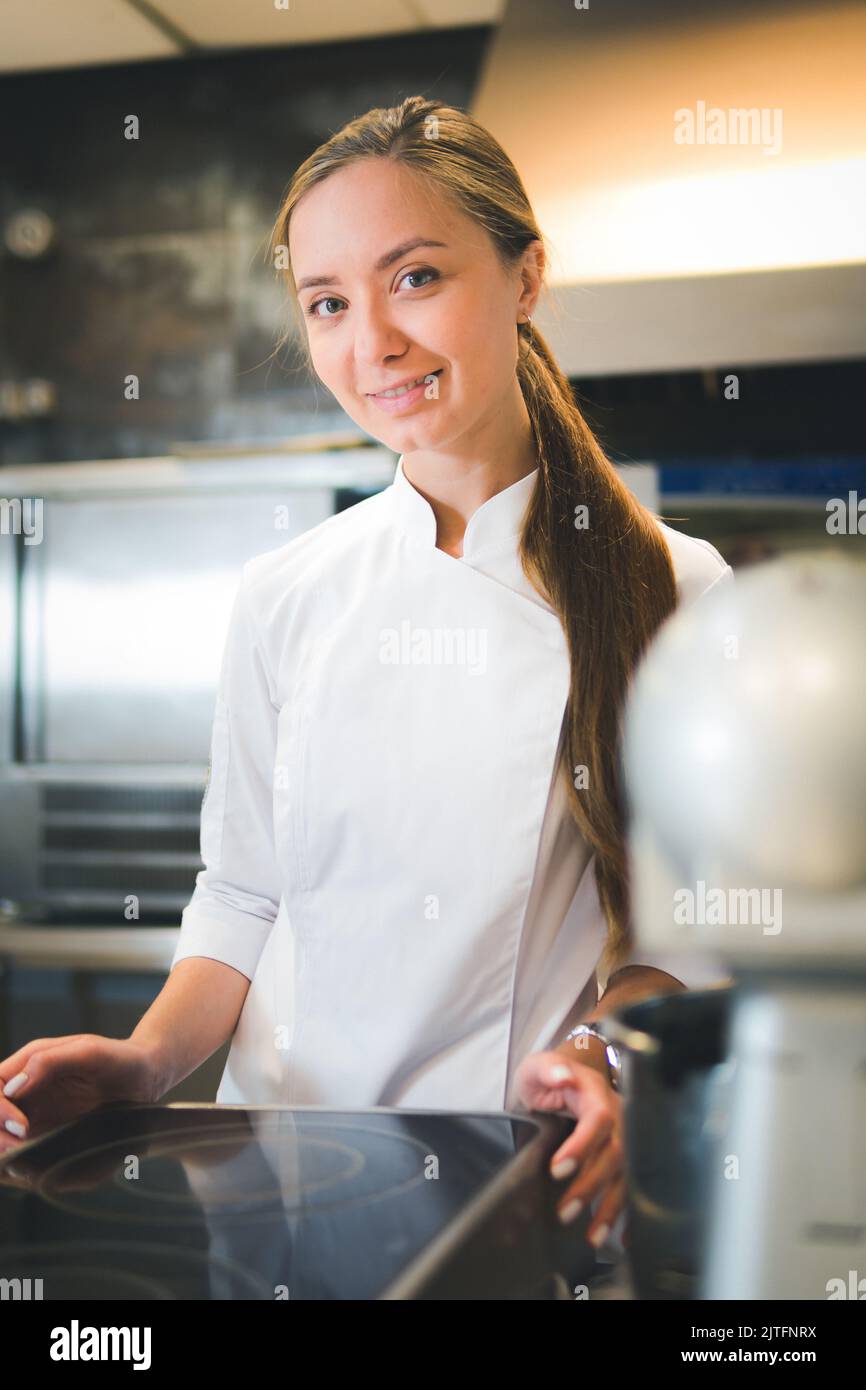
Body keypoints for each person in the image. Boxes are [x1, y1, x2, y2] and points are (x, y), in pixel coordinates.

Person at [0, 97, 732, 1254]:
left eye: (416, 278)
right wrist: (145, 1061)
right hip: (274, 1184)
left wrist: (597, 1061)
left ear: (524, 277)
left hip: (511, 1191)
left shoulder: (676, 591)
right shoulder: (285, 592)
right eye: (328, 303)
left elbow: (679, 931)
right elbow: (242, 894)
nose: (371, 343)